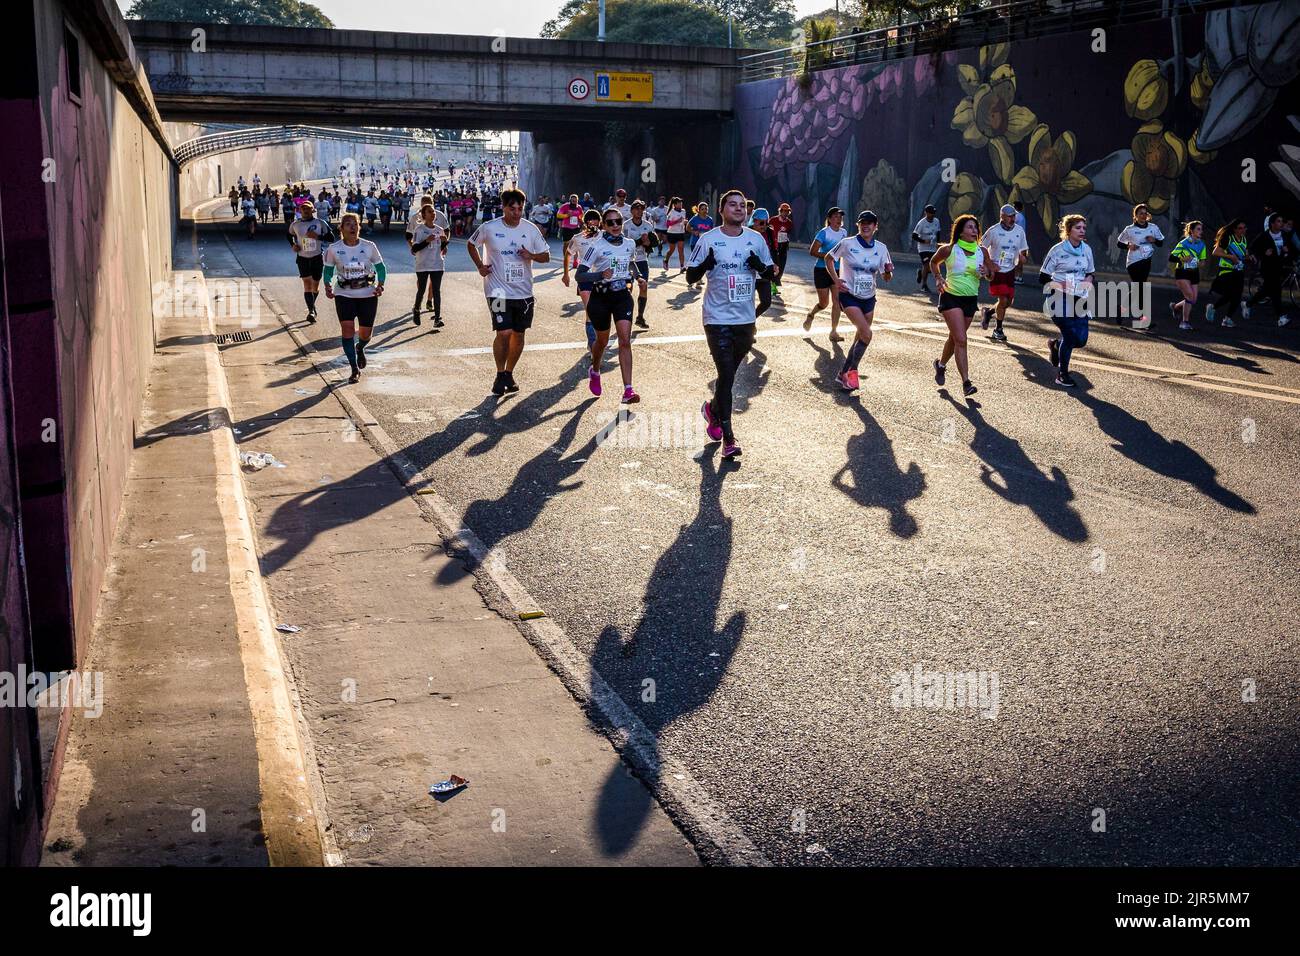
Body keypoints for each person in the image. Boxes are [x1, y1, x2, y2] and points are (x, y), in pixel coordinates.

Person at [686, 189, 775, 460]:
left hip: (746, 320)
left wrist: (759, 265)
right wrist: (706, 265)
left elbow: (771, 273)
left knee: (728, 377)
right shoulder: (709, 239)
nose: (738, 209)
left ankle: (713, 410)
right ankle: (729, 439)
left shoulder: (756, 239)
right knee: (725, 375)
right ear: (722, 211)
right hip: (717, 318)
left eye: (742, 206)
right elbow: (691, 276)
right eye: (732, 205)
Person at [466, 188, 551, 396]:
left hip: (523, 293)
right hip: (497, 291)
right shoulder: (489, 227)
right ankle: (499, 373)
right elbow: (471, 244)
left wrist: (530, 255)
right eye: (512, 208)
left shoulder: (531, 229)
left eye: (520, 208)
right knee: (503, 332)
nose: (516, 212)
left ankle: (509, 373)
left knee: (518, 336)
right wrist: (480, 266)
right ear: (503, 208)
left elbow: (546, 256)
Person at [825, 210, 894, 391]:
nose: (866, 225)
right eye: (863, 222)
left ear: (875, 227)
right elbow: (828, 258)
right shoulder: (848, 243)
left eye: (870, 223)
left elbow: (886, 277)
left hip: (869, 298)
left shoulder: (881, 248)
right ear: (858, 225)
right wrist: (836, 280)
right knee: (867, 334)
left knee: (860, 337)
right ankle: (853, 372)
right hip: (849, 295)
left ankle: (843, 372)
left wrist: (887, 272)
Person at [577, 206, 639, 403]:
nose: (615, 226)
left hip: (622, 296)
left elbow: (630, 262)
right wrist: (599, 275)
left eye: (618, 222)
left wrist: (639, 276)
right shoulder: (596, 246)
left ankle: (628, 390)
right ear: (603, 225)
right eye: (610, 222)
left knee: (624, 341)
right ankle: (595, 369)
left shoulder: (629, 243)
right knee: (602, 342)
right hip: (601, 297)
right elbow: (580, 274)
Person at [322, 212, 386, 385]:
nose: (352, 227)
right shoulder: (334, 249)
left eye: (355, 224)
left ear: (359, 227)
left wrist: (380, 284)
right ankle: (354, 369)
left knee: (366, 334)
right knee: (348, 330)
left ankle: (361, 347)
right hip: (344, 294)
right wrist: (327, 285)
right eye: (348, 224)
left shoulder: (369, 246)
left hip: (367, 294)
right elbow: (327, 271)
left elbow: (381, 268)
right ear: (341, 228)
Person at [930, 214, 985, 396]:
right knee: (961, 339)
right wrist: (938, 278)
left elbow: (991, 274)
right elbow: (933, 262)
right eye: (969, 227)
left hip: (970, 299)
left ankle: (940, 364)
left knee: (955, 338)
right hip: (950, 297)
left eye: (975, 227)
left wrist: (988, 272)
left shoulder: (981, 251)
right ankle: (966, 383)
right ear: (960, 231)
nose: (974, 230)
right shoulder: (949, 249)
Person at [1039, 213, 1096, 388]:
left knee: (1081, 340)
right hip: (1059, 296)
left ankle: (1056, 345)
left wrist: (1088, 280)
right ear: (1068, 229)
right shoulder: (1057, 250)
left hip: (1080, 297)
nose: (1082, 230)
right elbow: (1043, 277)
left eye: (1084, 228)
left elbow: (1091, 272)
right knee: (1070, 334)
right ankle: (1062, 373)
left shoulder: (1086, 249)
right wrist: (1060, 284)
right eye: (1078, 227)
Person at [979, 203, 1029, 342]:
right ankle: (998, 329)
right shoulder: (993, 231)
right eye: (1009, 217)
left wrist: (1023, 257)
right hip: (997, 270)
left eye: (1014, 216)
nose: (1013, 219)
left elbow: (1023, 249)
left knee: (1008, 302)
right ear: (1002, 216)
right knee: (1003, 300)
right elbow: (981, 248)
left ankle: (988, 313)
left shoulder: (1019, 231)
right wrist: (989, 264)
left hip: (1010, 270)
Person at [1116, 203, 1164, 330]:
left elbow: (1161, 243)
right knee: (1141, 288)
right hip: (1133, 262)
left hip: (1146, 261)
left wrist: (1154, 240)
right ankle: (1144, 319)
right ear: (1135, 216)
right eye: (1140, 213)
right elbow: (1119, 243)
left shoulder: (1153, 228)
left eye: (1145, 213)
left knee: (1139, 288)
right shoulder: (1129, 229)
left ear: (1148, 215)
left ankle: (1122, 309)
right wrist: (1128, 246)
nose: (1143, 215)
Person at [803, 207, 848, 341]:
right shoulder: (824, 233)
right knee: (824, 303)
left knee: (837, 301)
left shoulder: (844, 233)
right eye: (835, 217)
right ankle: (811, 315)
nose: (838, 219)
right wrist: (830, 256)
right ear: (829, 219)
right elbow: (813, 251)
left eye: (840, 217)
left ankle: (833, 332)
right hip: (822, 270)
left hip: (837, 271)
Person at [287, 201, 334, 324]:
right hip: (302, 258)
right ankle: (311, 311)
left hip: (317, 257)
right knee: (307, 284)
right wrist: (293, 245)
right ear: (300, 211)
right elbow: (289, 235)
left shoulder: (320, 223)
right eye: (303, 209)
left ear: (313, 210)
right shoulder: (295, 225)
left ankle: (312, 306)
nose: (306, 211)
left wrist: (317, 237)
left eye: (308, 209)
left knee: (315, 286)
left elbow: (332, 238)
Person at [1246, 213, 1294, 326]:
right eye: (1278, 221)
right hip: (1267, 267)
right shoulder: (1264, 236)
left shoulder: (1284, 236)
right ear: (1272, 224)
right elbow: (1252, 248)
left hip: (1278, 266)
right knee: (1276, 290)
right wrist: (1264, 253)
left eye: (1282, 221)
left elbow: (1289, 251)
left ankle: (1248, 303)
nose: (1281, 223)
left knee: (1268, 290)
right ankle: (1281, 317)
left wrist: (1287, 251)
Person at [565, 209, 604, 349]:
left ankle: (599, 339)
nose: (593, 222)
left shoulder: (605, 236)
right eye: (590, 220)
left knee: (602, 311)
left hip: (602, 277)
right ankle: (592, 342)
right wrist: (566, 274)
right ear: (585, 222)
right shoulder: (577, 238)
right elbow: (568, 253)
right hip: (585, 277)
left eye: (596, 219)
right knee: (590, 311)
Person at [1205, 219, 1251, 329]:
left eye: (1244, 228)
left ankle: (1225, 317)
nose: (1243, 230)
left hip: (1238, 270)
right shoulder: (1228, 238)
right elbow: (1215, 252)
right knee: (1232, 294)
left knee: (1235, 296)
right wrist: (1230, 257)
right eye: (1240, 228)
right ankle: (1218, 311)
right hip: (1226, 270)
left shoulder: (1244, 239)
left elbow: (1244, 254)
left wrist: (1249, 257)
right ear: (1234, 229)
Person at [410, 203, 447, 328]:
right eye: (430, 212)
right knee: (421, 289)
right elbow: (415, 248)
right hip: (423, 264)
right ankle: (416, 310)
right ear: (424, 215)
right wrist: (427, 241)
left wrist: (444, 244)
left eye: (433, 211)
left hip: (437, 263)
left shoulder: (439, 229)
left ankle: (437, 318)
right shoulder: (419, 230)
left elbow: (442, 248)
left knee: (436, 291)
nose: (433, 213)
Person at [1168, 221, 1206, 331]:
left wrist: (1198, 263)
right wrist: (1182, 259)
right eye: (1198, 229)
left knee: (1193, 299)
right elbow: (1171, 258)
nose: (1201, 231)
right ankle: (1184, 322)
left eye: (1201, 229)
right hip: (1182, 272)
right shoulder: (1183, 243)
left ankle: (1175, 307)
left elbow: (1203, 262)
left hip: (1194, 273)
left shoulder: (1202, 244)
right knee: (1189, 296)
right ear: (1191, 231)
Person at [623, 200, 655, 329]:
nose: (639, 211)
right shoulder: (626, 225)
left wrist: (649, 244)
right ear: (631, 211)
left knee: (644, 286)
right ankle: (626, 316)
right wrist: (639, 241)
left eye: (641, 209)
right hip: (629, 261)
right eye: (636, 209)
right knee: (627, 289)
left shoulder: (648, 225)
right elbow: (623, 244)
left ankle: (640, 317)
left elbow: (652, 244)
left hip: (642, 260)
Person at [749, 208, 778, 318]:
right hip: (749, 272)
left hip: (764, 271)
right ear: (754, 221)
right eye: (761, 222)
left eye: (767, 222)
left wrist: (774, 263)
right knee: (747, 302)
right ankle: (748, 324)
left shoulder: (769, 232)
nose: (764, 225)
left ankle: (752, 319)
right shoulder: (746, 232)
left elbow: (773, 250)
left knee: (766, 302)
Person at [912, 205, 942, 293]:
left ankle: (921, 272)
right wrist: (923, 241)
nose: (932, 215)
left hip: (933, 248)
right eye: (931, 213)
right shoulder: (921, 223)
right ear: (926, 213)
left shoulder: (937, 221)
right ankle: (924, 285)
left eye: (934, 213)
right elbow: (914, 236)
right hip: (923, 248)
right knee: (926, 264)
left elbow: (938, 232)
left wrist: (938, 243)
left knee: (932, 266)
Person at [687, 202, 715, 286]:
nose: (704, 210)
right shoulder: (695, 219)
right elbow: (687, 227)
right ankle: (691, 277)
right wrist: (693, 232)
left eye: (706, 209)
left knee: (703, 261)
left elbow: (712, 230)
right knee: (695, 261)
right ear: (698, 210)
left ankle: (698, 278)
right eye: (702, 209)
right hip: (695, 242)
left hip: (705, 244)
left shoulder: (709, 219)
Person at [770, 202, 795, 292]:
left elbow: (789, 233)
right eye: (783, 211)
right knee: (775, 266)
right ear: (780, 211)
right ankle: (773, 288)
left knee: (781, 266)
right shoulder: (773, 220)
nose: (785, 213)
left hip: (783, 246)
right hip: (774, 246)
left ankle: (777, 281)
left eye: (787, 211)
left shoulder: (789, 223)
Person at [664, 197, 688, 272]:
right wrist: (677, 221)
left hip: (681, 233)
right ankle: (666, 260)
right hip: (672, 233)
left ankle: (682, 266)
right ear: (675, 204)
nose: (681, 204)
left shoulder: (683, 211)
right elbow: (668, 224)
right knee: (672, 250)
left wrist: (685, 222)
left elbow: (683, 220)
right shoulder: (671, 212)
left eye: (681, 203)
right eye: (679, 203)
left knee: (681, 250)